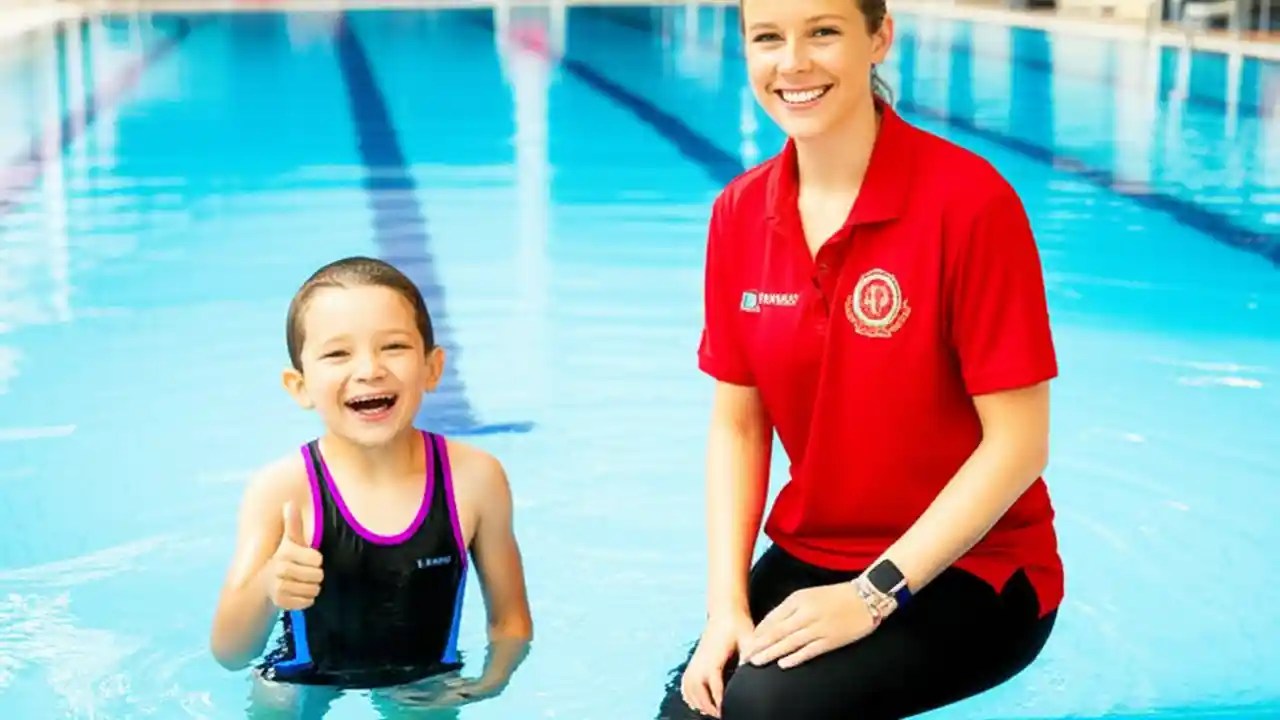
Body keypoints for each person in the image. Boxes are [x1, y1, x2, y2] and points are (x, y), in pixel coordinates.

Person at [661, 0, 1063, 718]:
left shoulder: (969, 204)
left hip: (979, 568)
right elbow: (738, 427)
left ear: (879, 37)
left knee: (768, 708)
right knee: (695, 708)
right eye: (767, 38)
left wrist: (873, 595)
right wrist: (725, 607)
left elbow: (1019, 444)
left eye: (823, 31)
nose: (794, 63)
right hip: (816, 550)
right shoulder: (739, 214)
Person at [209, 256, 533, 711]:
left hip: (423, 682)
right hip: (302, 681)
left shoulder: (475, 479)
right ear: (299, 385)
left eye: (393, 347)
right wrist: (269, 586)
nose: (369, 370)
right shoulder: (282, 489)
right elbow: (229, 652)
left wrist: (489, 682)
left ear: (432, 368)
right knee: (277, 703)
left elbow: (510, 622)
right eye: (338, 353)